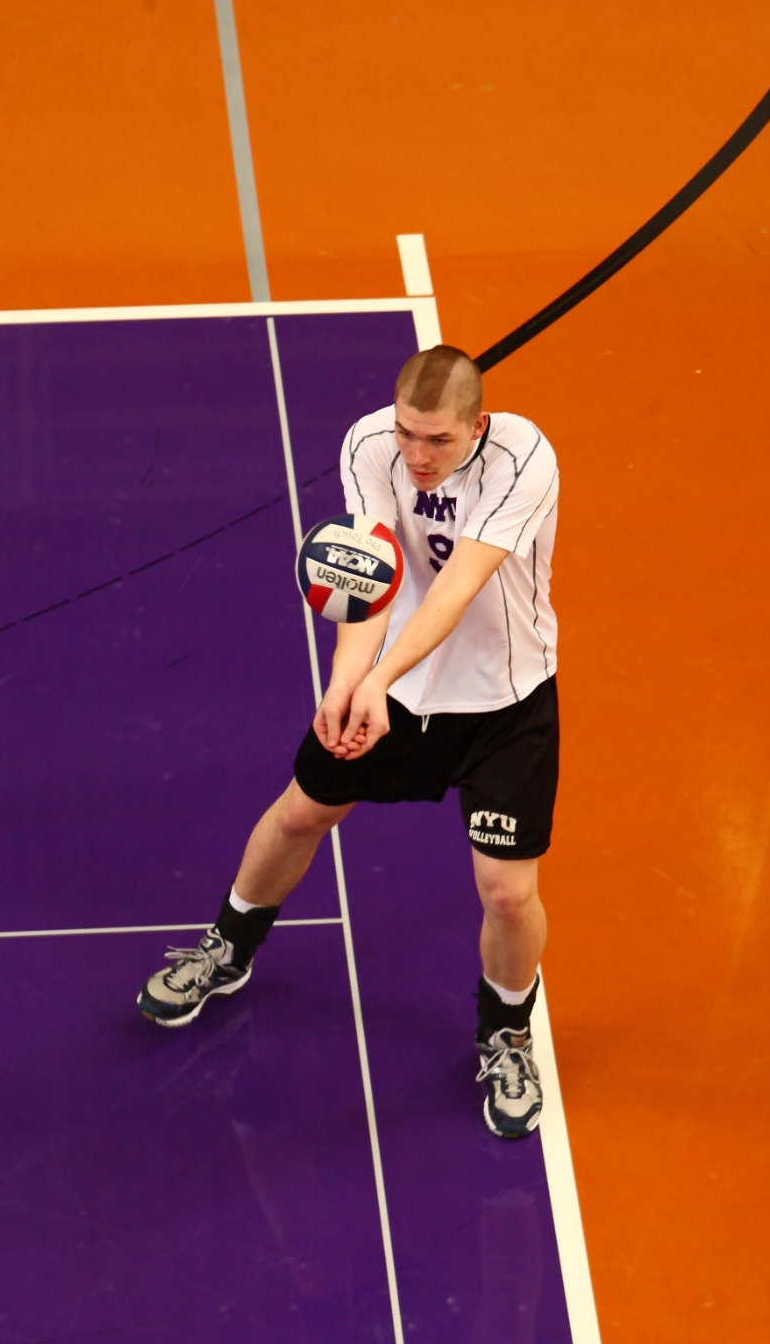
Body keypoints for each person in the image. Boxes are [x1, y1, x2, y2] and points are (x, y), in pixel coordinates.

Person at [138, 345, 560, 1138]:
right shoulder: (370, 444)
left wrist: (373, 678)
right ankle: (226, 950)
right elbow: (369, 578)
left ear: (478, 425)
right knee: (300, 815)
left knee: (506, 890)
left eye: (438, 440)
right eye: (408, 433)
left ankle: (503, 1034)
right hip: (395, 690)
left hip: (505, 699)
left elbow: (460, 587)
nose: (417, 455)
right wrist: (346, 679)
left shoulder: (523, 461)